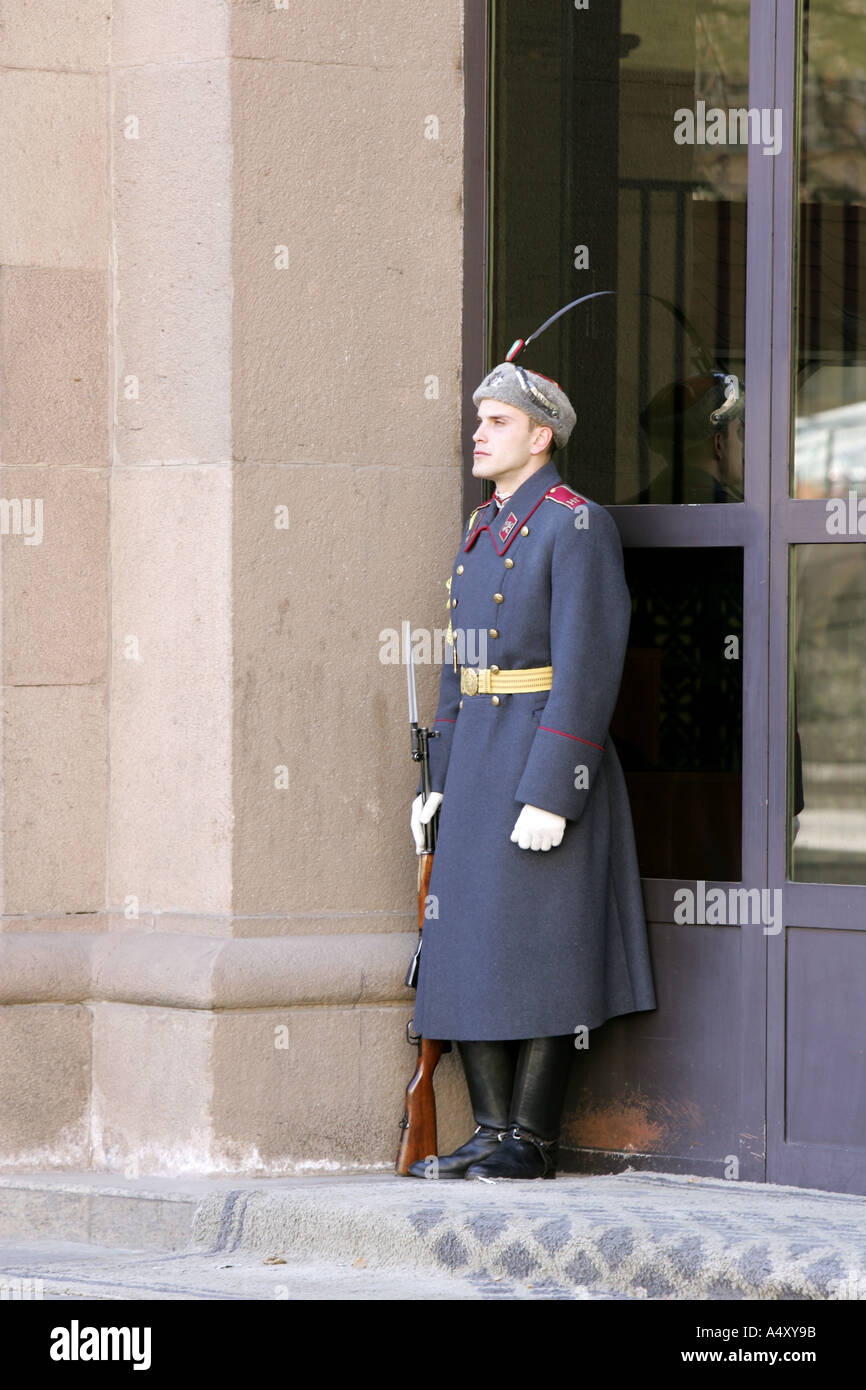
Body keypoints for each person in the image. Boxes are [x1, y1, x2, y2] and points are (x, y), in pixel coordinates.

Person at [405, 361, 657, 1181]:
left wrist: (556, 786)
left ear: (540, 434)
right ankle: (488, 1128)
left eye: (497, 421)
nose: (478, 433)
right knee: (467, 937)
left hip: (541, 750)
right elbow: (460, 662)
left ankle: (533, 1138)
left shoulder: (574, 525)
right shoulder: (484, 529)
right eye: (478, 419)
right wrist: (436, 778)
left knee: (545, 941)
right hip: (478, 751)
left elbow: (590, 664)